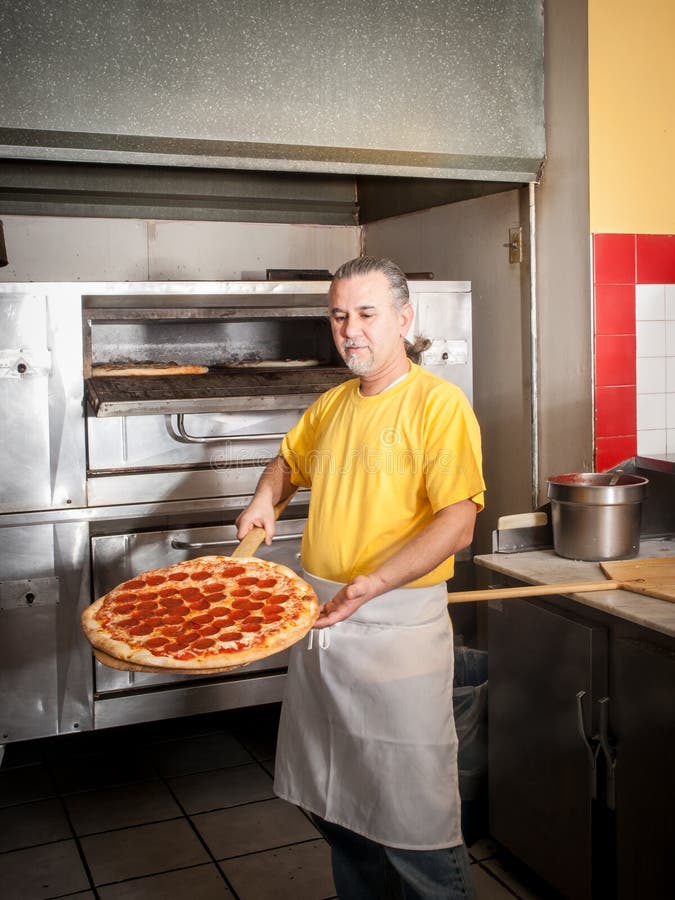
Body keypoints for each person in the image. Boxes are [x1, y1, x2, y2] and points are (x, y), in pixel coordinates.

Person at [236, 256, 485, 900]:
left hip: (395, 637)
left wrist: (374, 582)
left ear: (404, 319)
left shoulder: (438, 405)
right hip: (323, 632)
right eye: (339, 316)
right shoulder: (331, 406)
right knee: (339, 810)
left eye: (367, 314)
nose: (351, 331)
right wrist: (265, 497)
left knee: (415, 825)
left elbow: (458, 524)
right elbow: (286, 464)